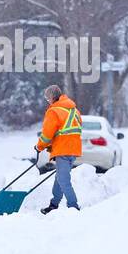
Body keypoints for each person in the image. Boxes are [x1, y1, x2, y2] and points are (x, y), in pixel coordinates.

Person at [34, 84, 82, 213]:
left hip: (63, 149)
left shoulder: (54, 111)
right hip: (73, 149)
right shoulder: (73, 109)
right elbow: (65, 130)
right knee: (60, 177)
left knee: (63, 179)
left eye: (47, 99)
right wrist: (52, 145)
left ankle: (73, 206)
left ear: (51, 97)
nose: (47, 101)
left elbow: (47, 134)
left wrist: (39, 146)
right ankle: (54, 204)